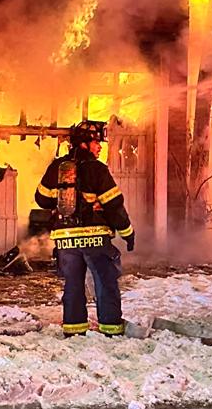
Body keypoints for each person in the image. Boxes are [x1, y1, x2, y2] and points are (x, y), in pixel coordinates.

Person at [35, 120, 135, 337]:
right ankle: (111, 329)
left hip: (66, 239)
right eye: (97, 142)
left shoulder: (58, 168)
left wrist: (62, 198)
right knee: (105, 281)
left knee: (72, 285)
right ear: (85, 144)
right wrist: (128, 233)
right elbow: (114, 206)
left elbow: (41, 199)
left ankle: (74, 330)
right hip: (95, 238)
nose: (100, 147)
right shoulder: (97, 170)